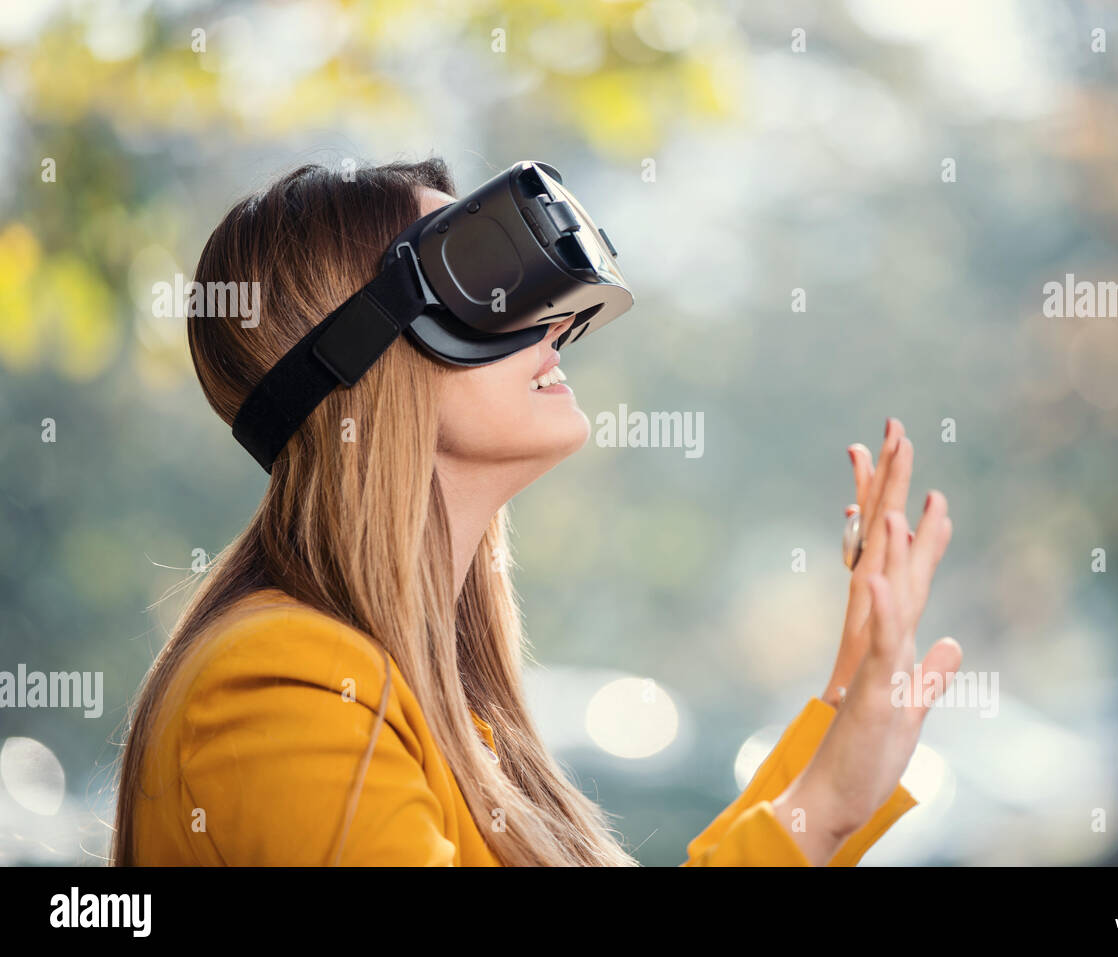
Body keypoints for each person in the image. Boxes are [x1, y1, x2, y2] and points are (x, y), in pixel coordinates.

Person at [113, 157, 961, 866]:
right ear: (359, 353)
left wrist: (842, 716)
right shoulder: (276, 682)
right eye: (485, 280)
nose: (551, 320)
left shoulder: (444, 698)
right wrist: (825, 804)